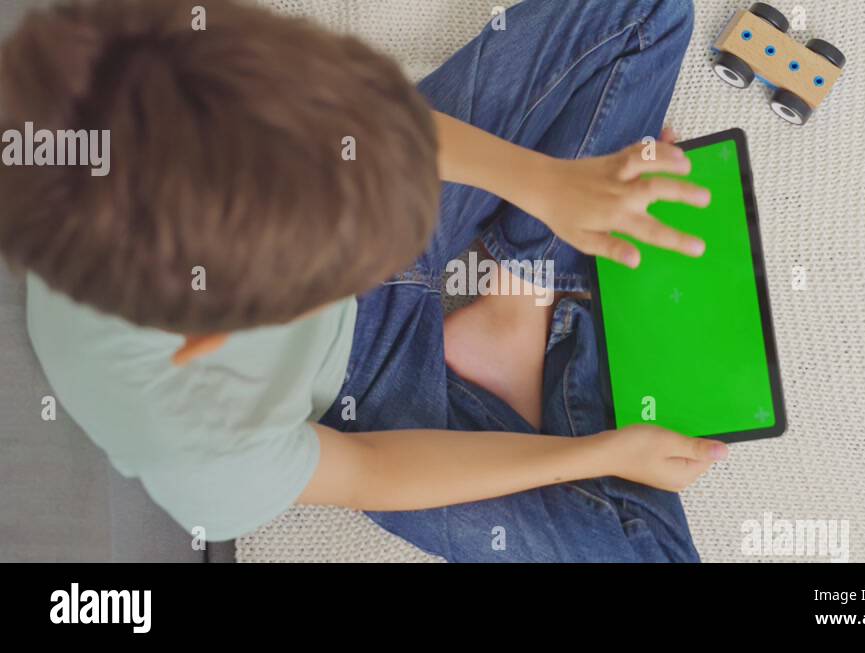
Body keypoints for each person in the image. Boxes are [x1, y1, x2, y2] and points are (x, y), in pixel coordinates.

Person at [0, 0, 725, 562]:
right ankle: (533, 322)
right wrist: (601, 454)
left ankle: (514, 308)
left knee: (641, 12)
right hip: (366, 393)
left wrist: (547, 185)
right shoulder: (203, 456)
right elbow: (373, 470)